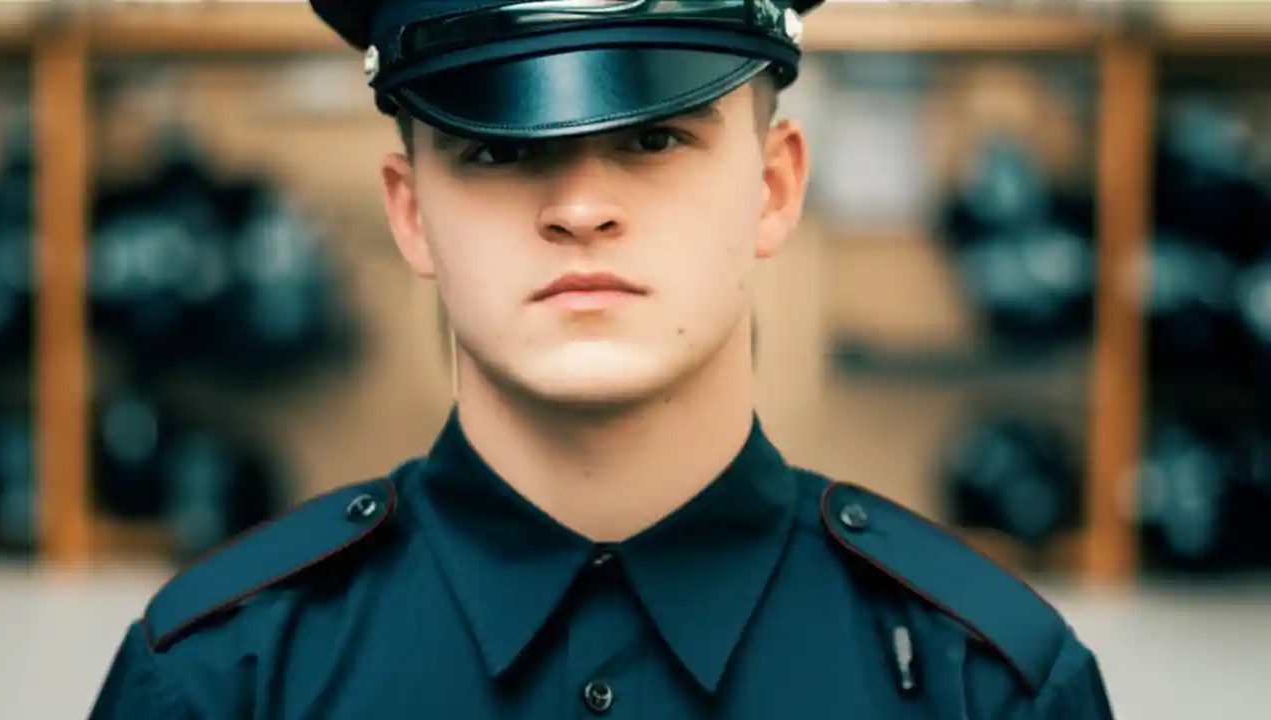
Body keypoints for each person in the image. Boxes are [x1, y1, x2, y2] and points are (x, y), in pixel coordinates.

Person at [90, 1, 1115, 717]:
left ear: (771, 186)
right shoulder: (223, 684)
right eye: (497, 149)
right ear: (409, 213)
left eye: (655, 138)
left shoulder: (981, 689)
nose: (580, 208)